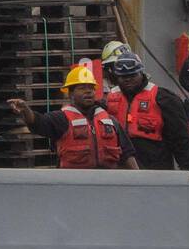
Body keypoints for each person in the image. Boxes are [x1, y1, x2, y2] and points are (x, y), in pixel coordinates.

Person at [8, 64, 139, 170]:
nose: (88, 91)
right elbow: (38, 123)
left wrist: (139, 179)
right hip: (74, 182)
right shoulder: (61, 119)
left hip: (106, 182)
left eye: (91, 88)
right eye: (82, 88)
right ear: (70, 94)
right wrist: (25, 110)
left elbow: (127, 153)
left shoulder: (110, 121)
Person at [104, 49, 189, 171]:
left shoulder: (164, 98)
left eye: (132, 75)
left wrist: (188, 169)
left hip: (155, 166)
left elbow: (180, 139)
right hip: (120, 167)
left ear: (141, 73)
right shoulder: (108, 99)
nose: (127, 80)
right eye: (123, 77)